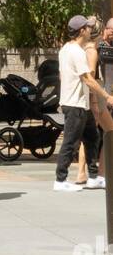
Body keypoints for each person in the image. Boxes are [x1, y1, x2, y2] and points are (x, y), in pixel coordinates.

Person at [54, 15, 113, 192]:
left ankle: (94, 177)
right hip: (75, 104)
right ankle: (60, 180)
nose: (90, 30)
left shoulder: (65, 49)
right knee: (70, 142)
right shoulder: (77, 52)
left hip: (80, 103)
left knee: (93, 138)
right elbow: (88, 78)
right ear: (82, 31)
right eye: (87, 28)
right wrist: (106, 96)